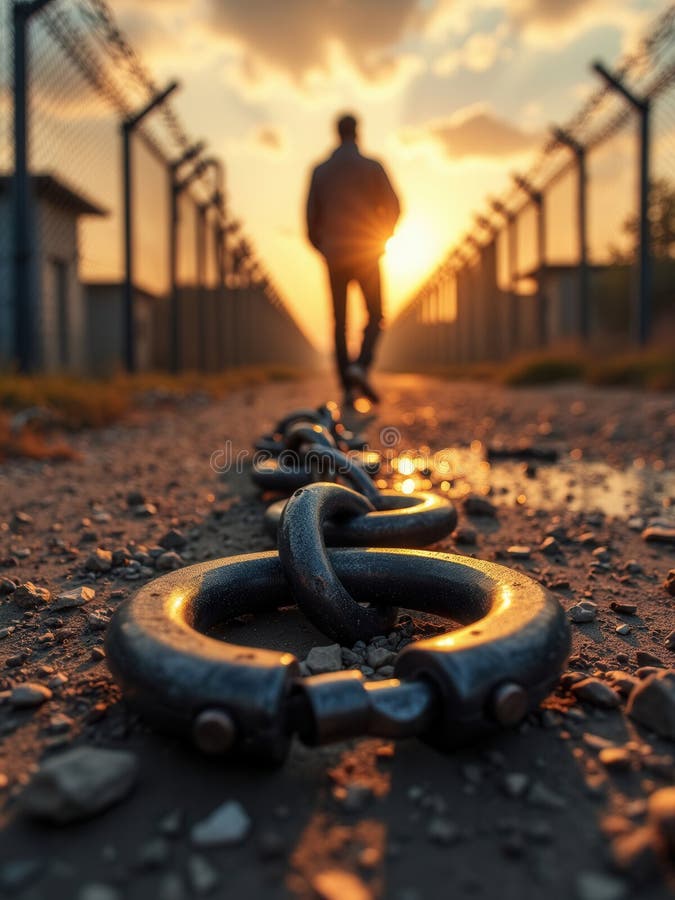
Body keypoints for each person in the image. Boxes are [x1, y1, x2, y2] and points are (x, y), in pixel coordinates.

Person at [306, 113, 400, 404]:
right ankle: (361, 366)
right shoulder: (372, 167)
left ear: (336, 133)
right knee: (376, 314)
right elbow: (395, 206)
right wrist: (382, 237)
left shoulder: (321, 171)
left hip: (334, 254)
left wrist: (325, 249)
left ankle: (347, 385)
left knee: (339, 321)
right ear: (357, 132)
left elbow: (310, 221)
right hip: (367, 251)